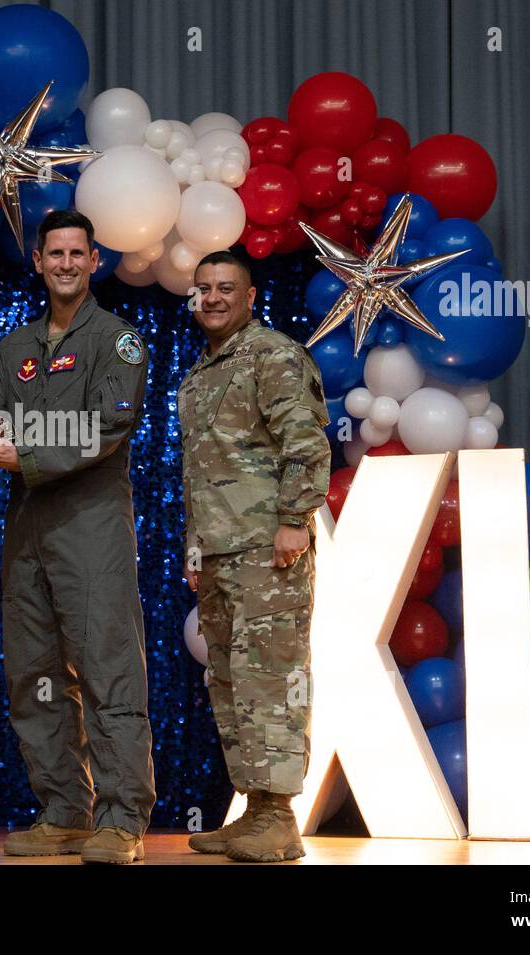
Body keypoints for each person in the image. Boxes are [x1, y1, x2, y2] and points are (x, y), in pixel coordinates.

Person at [0, 209, 155, 865]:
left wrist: (24, 452)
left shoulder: (118, 339)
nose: (67, 263)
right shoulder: (14, 347)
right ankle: (65, 809)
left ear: (94, 261)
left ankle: (122, 816)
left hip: (91, 526)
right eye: (56, 253)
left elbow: (110, 424)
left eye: (78, 253)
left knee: (108, 670)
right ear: (40, 262)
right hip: (26, 532)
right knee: (36, 676)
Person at [177, 249, 331, 863]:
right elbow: (200, 472)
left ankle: (280, 818)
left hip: (269, 552)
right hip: (217, 553)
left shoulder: (273, 355)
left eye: (226, 288)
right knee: (232, 682)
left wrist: (295, 521)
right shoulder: (200, 374)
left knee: (270, 677)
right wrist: (195, 548)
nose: (213, 298)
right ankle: (255, 809)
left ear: (250, 296)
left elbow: (306, 443)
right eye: (204, 288)